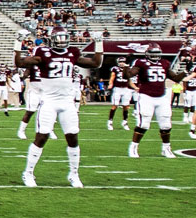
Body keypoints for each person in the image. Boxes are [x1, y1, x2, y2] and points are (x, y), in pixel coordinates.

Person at [15, 35, 104, 188]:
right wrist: (17, 43)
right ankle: (28, 173)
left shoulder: (72, 52)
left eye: (64, 38)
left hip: (67, 102)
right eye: (59, 38)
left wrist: (99, 44)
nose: (62, 41)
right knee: (41, 137)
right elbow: (19, 62)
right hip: (49, 101)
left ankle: (74, 174)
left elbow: (96, 63)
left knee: (73, 138)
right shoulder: (44, 53)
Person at [126, 50, 182, 160]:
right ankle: (133, 147)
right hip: (146, 96)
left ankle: (166, 148)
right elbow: (128, 75)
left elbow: (175, 78)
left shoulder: (164, 63)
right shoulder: (141, 63)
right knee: (144, 124)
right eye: (153, 52)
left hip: (161, 97)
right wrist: (125, 67)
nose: (155, 55)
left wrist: (185, 72)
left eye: (157, 52)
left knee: (166, 125)